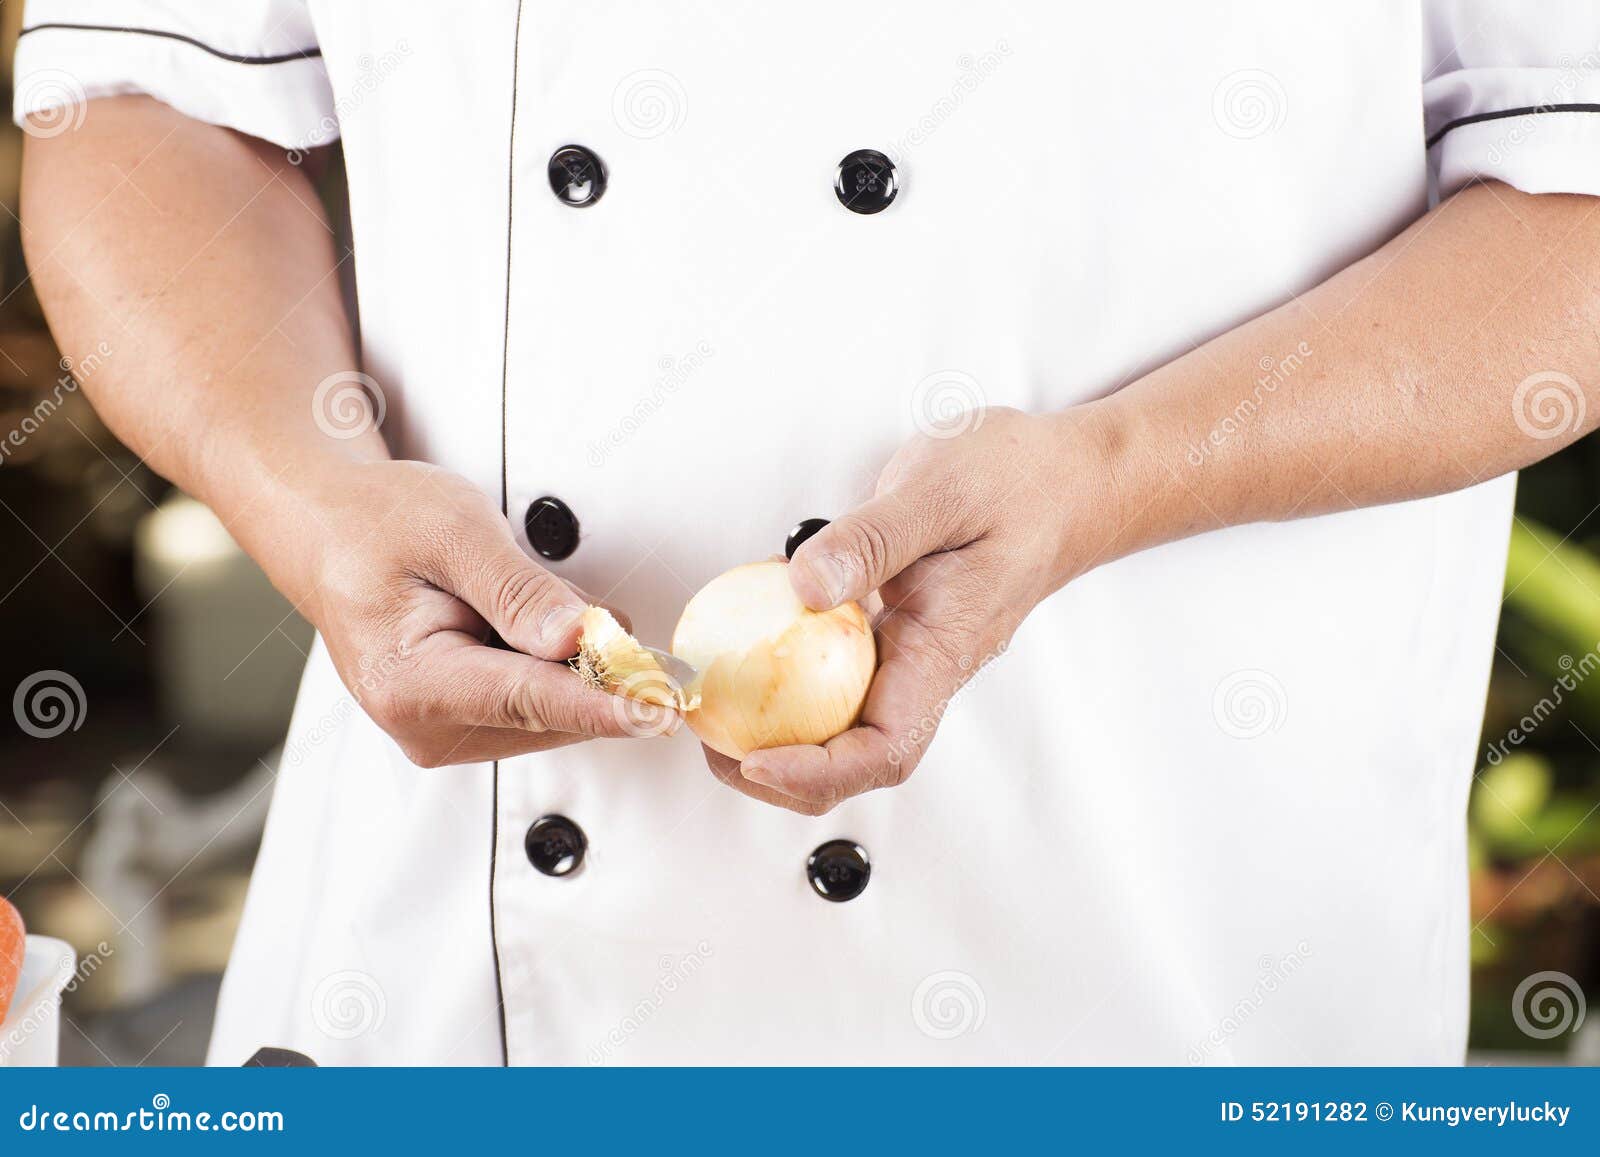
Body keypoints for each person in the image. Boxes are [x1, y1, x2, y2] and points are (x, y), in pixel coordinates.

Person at [15, 2, 1600, 1064]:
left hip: (1158, 958)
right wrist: (313, 493)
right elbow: (143, 97)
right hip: (444, 988)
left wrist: (1114, 471)